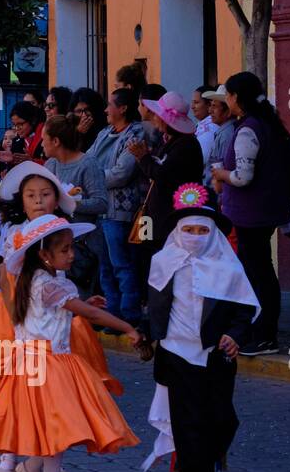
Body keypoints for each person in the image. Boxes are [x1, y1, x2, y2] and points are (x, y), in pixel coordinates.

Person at [0, 161, 121, 472]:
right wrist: (15, 320)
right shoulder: (14, 233)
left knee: (53, 393)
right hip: (20, 316)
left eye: (45, 194)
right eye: (30, 195)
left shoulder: (62, 231)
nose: (38, 200)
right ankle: (11, 452)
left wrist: (79, 304)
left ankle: (51, 451)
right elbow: (9, 279)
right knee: (18, 390)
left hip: (59, 316)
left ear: (58, 198)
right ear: (21, 200)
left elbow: (65, 278)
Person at [0, 215, 140, 472]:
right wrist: (127, 327)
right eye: (64, 249)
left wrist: (83, 304)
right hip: (50, 363)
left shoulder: (33, 279)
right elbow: (92, 317)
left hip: (31, 363)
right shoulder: (51, 285)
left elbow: (51, 313)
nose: (71, 254)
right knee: (56, 424)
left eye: (71, 247)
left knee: (52, 424)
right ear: (44, 255)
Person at [143, 185, 259, 472]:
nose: (195, 236)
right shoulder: (162, 263)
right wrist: (143, 333)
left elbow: (244, 309)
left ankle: (197, 461)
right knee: (188, 422)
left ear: (213, 234)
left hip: (215, 357)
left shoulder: (229, 268)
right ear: (178, 232)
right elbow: (153, 307)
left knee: (222, 419)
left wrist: (235, 335)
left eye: (202, 230)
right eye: (189, 230)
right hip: (176, 353)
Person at [210, 71, 290, 357]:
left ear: (237, 98)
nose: (226, 100)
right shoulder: (262, 124)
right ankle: (262, 332)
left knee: (258, 274)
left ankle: (265, 335)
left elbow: (243, 176)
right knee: (260, 271)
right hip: (259, 212)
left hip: (251, 214)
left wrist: (221, 173)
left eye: (228, 95)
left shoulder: (248, 129)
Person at [97, 87, 150, 323]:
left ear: (123, 108)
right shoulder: (104, 133)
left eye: (110, 104)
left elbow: (121, 173)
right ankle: (113, 314)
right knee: (106, 267)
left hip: (122, 211)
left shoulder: (136, 135)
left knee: (122, 264)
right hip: (101, 208)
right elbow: (87, 160)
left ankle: (129, 315)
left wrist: (91, 180)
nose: (106, 110)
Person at [128, 90, 203, 255]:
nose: (155, 118)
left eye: (158, 115)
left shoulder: (186, 146)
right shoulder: (168, 141)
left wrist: (143, 157)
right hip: (154, 217)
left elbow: (163, 176)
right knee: (145, 257)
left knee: (162, 262)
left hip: (170, 220)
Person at [42, 115, 109, 295]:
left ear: (56, 141)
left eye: (44, 139)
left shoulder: (88, 164)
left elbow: (102, 203)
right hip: (55, 243)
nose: (41, 144)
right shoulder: (50, 165)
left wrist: (70, 203)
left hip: (83, 246)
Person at [200, 85, 236, 192]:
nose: (210, 110)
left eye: (215, 106)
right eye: (211, 105)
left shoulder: (226, 134)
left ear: (228, 111)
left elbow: (223, 169)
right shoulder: (223, 131)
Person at [0, 101, 44, 170]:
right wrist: (12, 160)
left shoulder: (44, 137)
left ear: (33, 120)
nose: (17, 128)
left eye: (20, 124)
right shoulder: (17, 141)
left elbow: (53, 166)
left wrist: (32, 161)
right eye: (14, 125)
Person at [71, 87, 108, 153]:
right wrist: (78, 134)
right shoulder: (69, 128)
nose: (84, 115)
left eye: (87, 110)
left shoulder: (105, 131)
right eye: (79, 111)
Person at [192, 86, 219, 162]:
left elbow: (201, 158)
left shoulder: (211, 127)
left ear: (209, 105)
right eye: (193, 102)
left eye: (196, 102)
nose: (192, 107)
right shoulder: (203, 124)